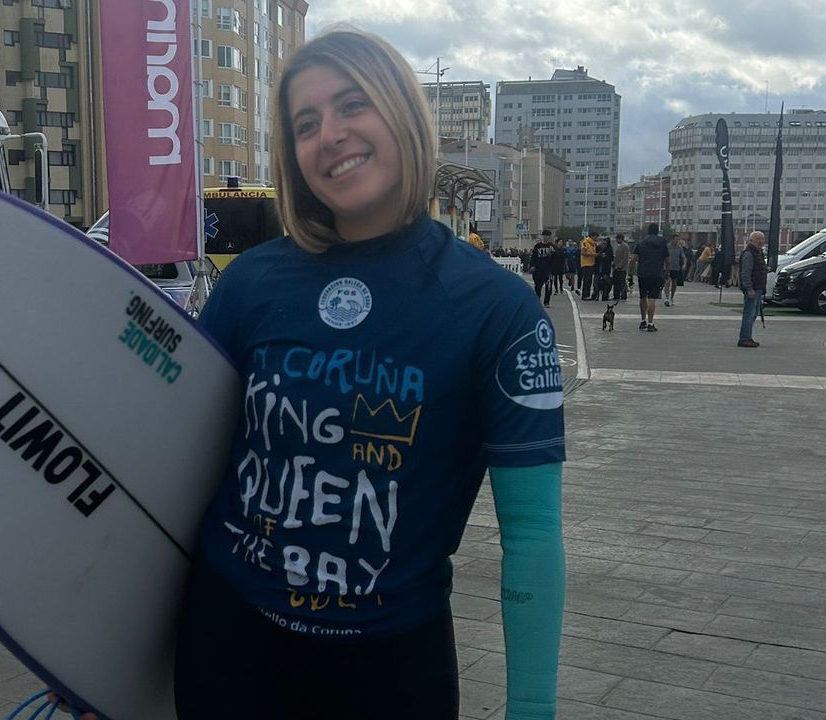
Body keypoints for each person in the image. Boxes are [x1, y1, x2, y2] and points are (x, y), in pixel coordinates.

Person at [46, 29, 568, 720]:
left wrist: (532, 709)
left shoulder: (498, 308)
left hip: (390, 667)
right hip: (231, 645)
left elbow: (530, 533)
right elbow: (165, 472)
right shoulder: (253, 285)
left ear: (402, 114)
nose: (331, 134)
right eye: (306, 123)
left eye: (353, 105)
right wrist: (94, 653)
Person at [632, 222, 670, 332]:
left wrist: (630, 272)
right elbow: (668, 260)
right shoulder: (662, 242)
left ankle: (643, 320)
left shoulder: (641, 243)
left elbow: (634, 258)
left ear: (648, 231)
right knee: (652, 298)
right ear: (657, 231)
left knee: (643, 296)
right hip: (656, 273)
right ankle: (650, 323)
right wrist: (667, 273)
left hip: (643, 273)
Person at [738, 230, 768, 348]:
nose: (761, 241)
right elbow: (746, 273)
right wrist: (749, 288)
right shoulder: (749, 254)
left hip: (758, 288)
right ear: (751, 241)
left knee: (753, 313)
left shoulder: (758, 253)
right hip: (753, 288)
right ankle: (744, 338)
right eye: (758, 239)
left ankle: (747, 337)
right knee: (749, 314)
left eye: (762, 239)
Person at [528, 230, 558, 308]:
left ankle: (546, 302)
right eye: (544, 235)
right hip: (538, 269)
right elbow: (533, 257)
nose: (546, 237)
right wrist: (532, 266)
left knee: (549, 287)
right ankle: (537, 301)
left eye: (548, 236)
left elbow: (557, 258)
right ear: (542, 236)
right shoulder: (538, 246)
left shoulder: (552, 246)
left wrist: (553, 252)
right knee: (538, 286)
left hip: (548, 270)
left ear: (550, 237)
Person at [665, 235, 686, 306]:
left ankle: (672, 297)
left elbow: (683, 257)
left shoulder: (679, 248)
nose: (677, 241)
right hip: (667, 267)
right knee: (667, 282)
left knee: (674, 284)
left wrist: (684, 264)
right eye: (676, 239)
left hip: (676, 268)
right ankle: (667, 298)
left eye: (678, 240)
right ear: (672, 239)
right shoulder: (667, 247)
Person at [594, 236, 614, 301]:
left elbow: (611, 258)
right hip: (598, 268)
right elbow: (595, 255)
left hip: (605, 269)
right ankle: (595, 295)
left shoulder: (609, 249)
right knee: (596, 283)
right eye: (602, 242)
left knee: (606, 283)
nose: (603, 243)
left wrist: (605, 257)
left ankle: (605, 295)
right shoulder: (598, 248)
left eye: (604, 242)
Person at [612, 233, 630, 301]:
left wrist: (620, 266)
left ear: (620, 238)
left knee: (622, 282)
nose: (616, 240)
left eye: (617, 238)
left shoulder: (625, 246)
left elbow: (625, 258)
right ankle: (616, 295)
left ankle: (623, 295)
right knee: (616, 282)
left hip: (622, 269)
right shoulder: (619, 246)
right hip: (616, 268)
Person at [578, 234, 597, 299]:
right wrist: (593, 254)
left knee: (589, 281)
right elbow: (583, 252)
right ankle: (584, 295)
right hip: (586, 264)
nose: (596, 238)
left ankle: (587, 295)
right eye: (595, 236)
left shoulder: (593, 244)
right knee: (586, 280)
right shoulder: (585, 242)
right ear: (592, 236)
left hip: (591, 264)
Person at [548, 230, 566, 294]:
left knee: (561, 278)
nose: (561, 243)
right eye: (560, 242)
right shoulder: (554, 248)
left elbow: (563, 257)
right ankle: (556, 289)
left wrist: (565, 266)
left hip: (560, 265)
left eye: (561, 242)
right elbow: (551, 256)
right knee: (555, 278)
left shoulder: (562, 249)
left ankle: (561, 288)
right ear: (557, 242)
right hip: (554, 265)